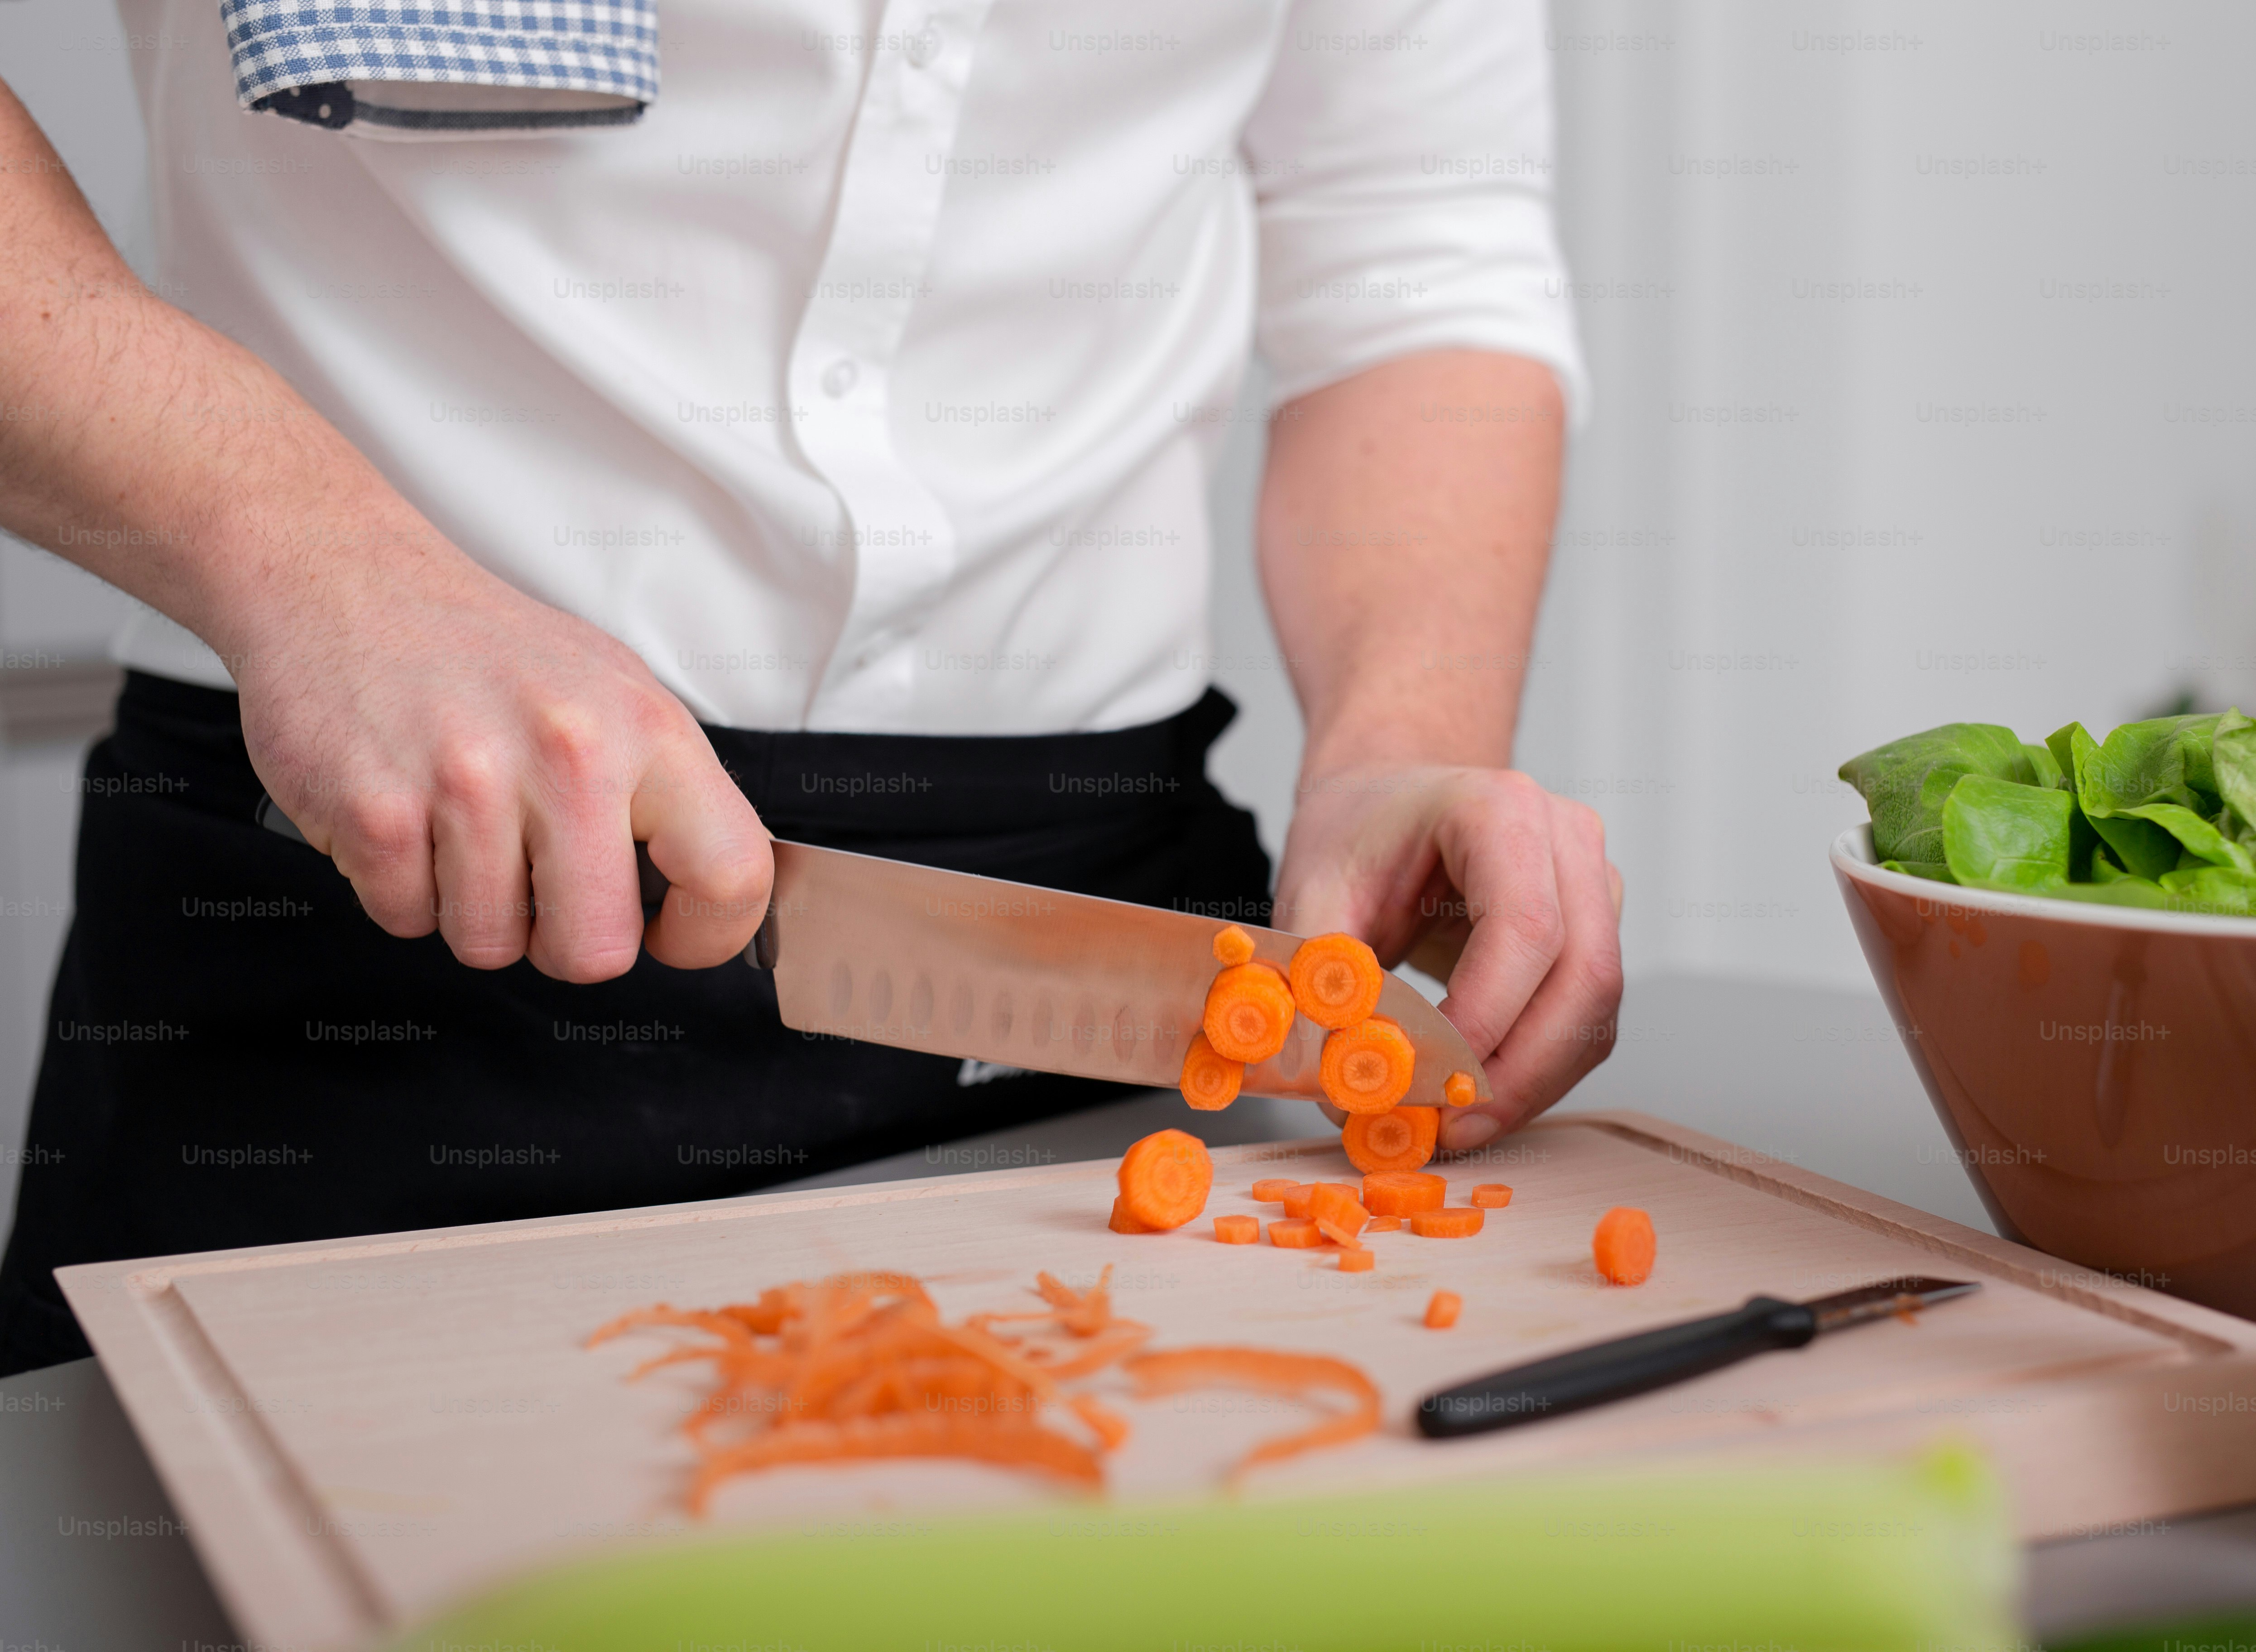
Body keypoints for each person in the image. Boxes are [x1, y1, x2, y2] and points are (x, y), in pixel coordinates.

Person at [0, 0, 1622, 1376]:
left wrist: (1401, 746)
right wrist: (315, 557)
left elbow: (1418, 234)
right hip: (360, 908)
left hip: (1099, 999)